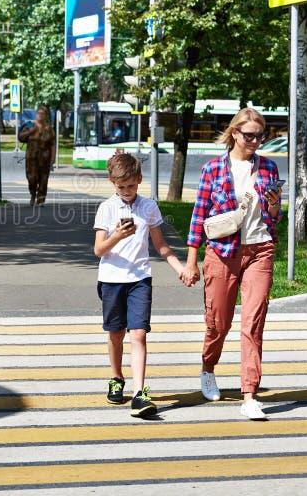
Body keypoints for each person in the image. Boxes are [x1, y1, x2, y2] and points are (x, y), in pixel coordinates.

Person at [182, 107, 283, 420]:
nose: (255, 141)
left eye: (260, 136)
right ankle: (208, 368)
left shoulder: (268, 167)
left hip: (260, 250)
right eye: (249, 135)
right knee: (219, 324)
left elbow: (275, 217)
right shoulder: (214, 168)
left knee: (253, 323)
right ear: (235, 133)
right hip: (222, 252)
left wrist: (274, 205)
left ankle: (249, 395)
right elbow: (199, 215)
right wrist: (191, 261)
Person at [93, 152, 195, 418]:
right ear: (112, 183)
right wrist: (117, 236)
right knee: (116, 334)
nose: (127, 191)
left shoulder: (149, 207)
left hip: (140, 279)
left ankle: (139, 393)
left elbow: (161, 246)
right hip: (112, 280)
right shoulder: (106, 208)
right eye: (121, 186)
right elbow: (99, 250)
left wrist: (181, 269)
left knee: (138, 333)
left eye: (131, 185)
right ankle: (117, 377)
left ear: (139, 179)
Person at [18, 105, 55, 206]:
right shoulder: (30, 125)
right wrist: (30, 132)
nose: (40, 115)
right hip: (31, 158)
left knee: (44, 180)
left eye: (43, 114)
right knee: (31, 178)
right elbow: (20, 137)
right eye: (39, 113)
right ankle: (33, 194)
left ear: (46, 116)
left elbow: (52, 144)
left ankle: (41, 199)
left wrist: (53, 158)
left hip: (45, 159)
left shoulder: (49, 129)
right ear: (36, 114)